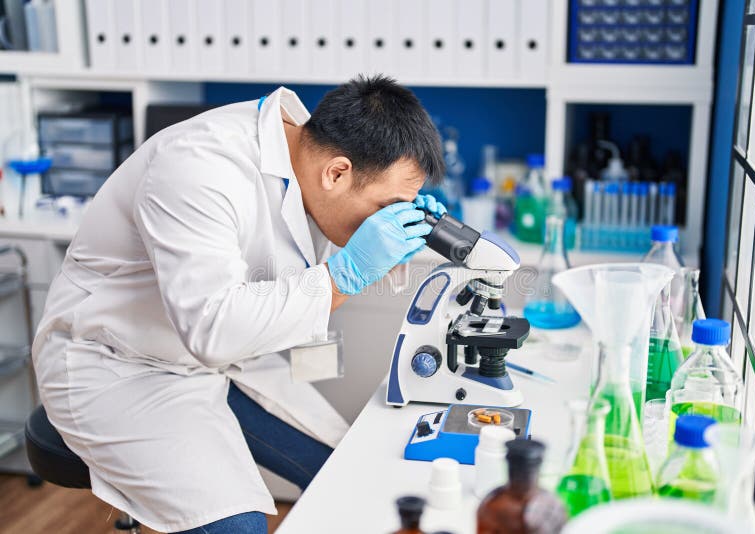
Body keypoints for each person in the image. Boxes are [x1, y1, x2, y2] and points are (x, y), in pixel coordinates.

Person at [32, 75, 446, 533]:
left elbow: (297, 271)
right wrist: (347, 272)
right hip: (118, 366)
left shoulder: (308, 165)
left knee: (350, 475)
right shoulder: (199, 166)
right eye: (386, 206)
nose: (387, 218)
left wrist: (382, 250)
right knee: (237, 526)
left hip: (224, 361)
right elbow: (213, 329)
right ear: (337, 172)